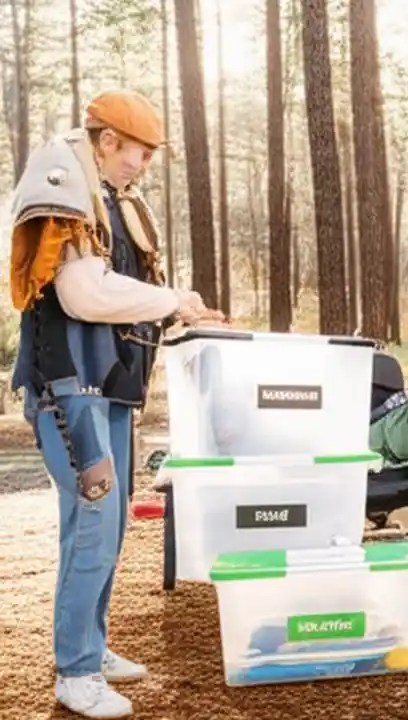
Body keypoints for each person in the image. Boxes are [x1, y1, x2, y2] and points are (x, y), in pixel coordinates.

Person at [9, 89, 223, 718]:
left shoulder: (111, 201)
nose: (142, 165)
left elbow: (129, 292)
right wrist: (171, 299)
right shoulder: (67, 195)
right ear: (107, 142)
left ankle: (91, 647)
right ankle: (74, 673)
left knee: (113, 524)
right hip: (69, 386)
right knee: (93, 525)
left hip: (112, 388)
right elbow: (84, 296)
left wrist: (180, 310)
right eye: (138, 151)